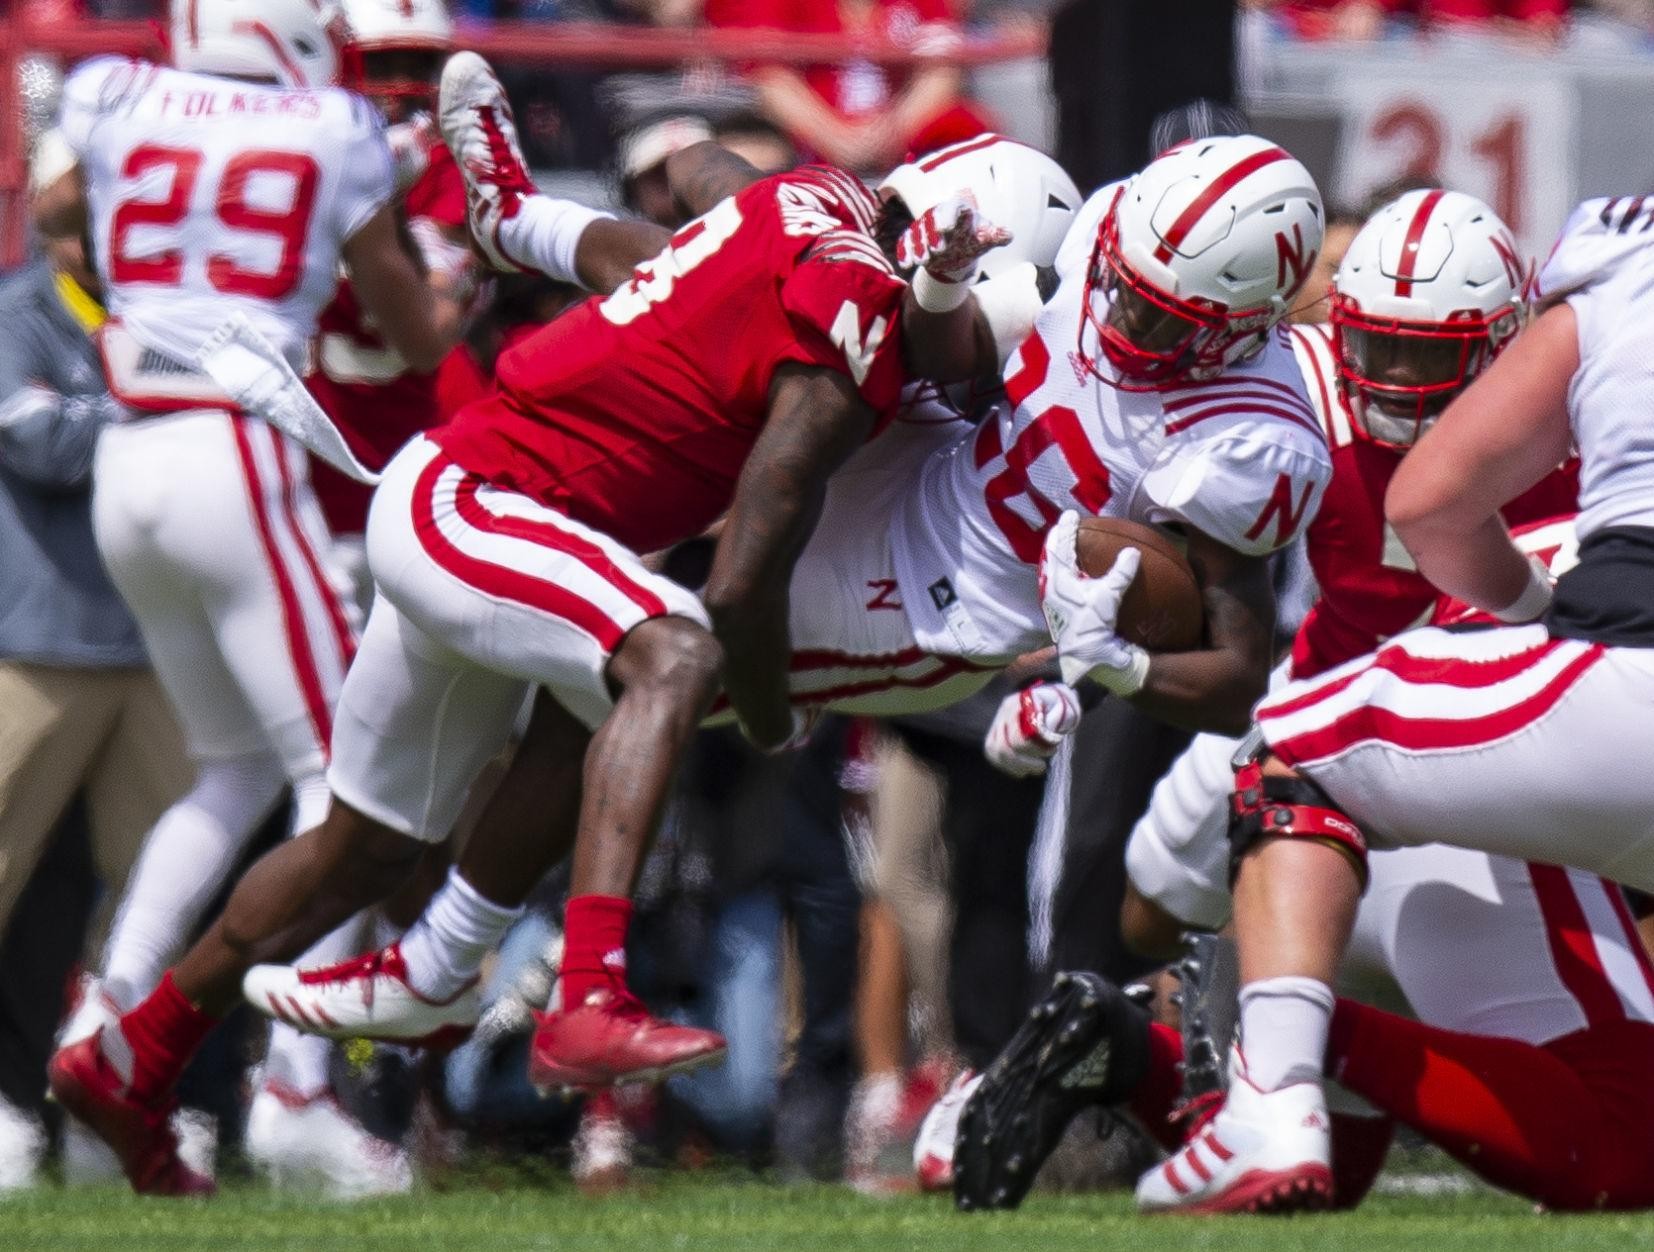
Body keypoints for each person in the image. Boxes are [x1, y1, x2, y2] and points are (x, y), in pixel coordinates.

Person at [58, 43, 998, 1187]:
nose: (969, 381)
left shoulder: (794, 209)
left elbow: (698, 173)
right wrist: (766, 714)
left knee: (363, 843)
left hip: (463, 496)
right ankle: (583, 992)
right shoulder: (851, 334)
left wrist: (532, 223)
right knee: (675, 651)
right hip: (473, 502)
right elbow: (746, 577)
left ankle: (136, 1058)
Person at [249, 135, 1336, 1086]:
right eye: (1126, 282)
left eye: (1165, 313)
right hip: (915, 460)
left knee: (624, 672)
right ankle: (446, 966)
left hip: (933, 595)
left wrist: (1116, 666)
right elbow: (932, 342)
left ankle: (462, 966)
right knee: (620, 658)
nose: (1125, 314)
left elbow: (1237, 673)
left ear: (1243, 322)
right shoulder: (1092, 238)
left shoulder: (1255, 438)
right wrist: (945, 297)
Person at [948, 192, 1654, 1215]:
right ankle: (1230, 1057)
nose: (1402, 386)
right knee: (1150, 899)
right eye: (1382, 348)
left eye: (1433, 357)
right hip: (1344, 715)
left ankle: (1200, 1050)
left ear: (1509, 338)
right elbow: (1113, 529)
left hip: (1471, 759)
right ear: (1339, 323)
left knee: (1608, 1142)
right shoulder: (1297, 389)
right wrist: (1062, 659)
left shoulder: (1587, 406)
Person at [36, 0, 475, 1195]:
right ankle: (294, 1085)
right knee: (355, 783)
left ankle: (103, 1029)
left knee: (229, 767)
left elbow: (57, 213)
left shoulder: (116, 96)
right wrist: (454, 302)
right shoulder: (332, 124)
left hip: (130, 451)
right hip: (235, 449)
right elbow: (404, 322)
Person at [0, 133, 196, 1191]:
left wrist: (120, 415)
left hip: (158, 644)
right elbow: (37, 442)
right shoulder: (13, 311)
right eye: (93, 227)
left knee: (159, 898)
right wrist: (157, 416)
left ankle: (119, 1103)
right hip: (33, 642)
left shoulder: (167, 322)